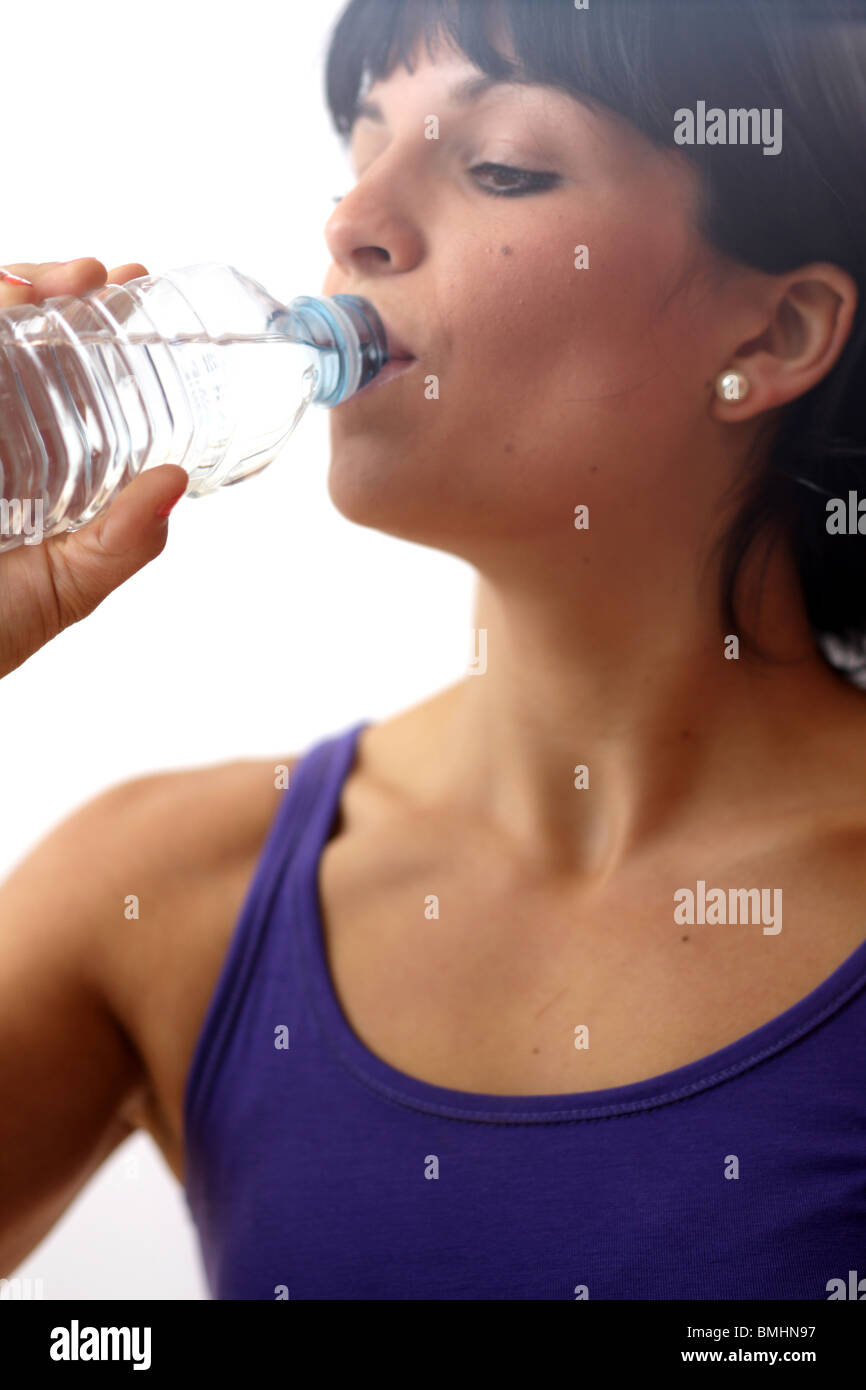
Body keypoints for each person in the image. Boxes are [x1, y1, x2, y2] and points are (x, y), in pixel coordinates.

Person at [2, 0, 866, 1300]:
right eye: (361, 150)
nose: (352, 226)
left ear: (773, 334)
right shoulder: (164, 887)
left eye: (500, 166)